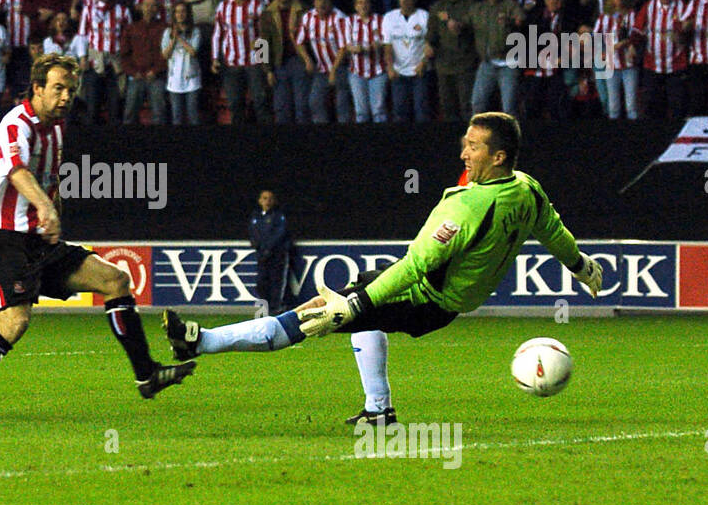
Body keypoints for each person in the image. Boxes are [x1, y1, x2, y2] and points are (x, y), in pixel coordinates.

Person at [162, 112, 603, 424]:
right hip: (437, 300)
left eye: (474, 146)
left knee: (317, 314)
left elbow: (414, 267)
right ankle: (378, 410)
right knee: (346, 312)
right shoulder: (525, 188)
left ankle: (199, 344)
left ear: (499, 156)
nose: (464, 151)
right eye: (465, 142)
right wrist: (579, 263)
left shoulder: (468, 208)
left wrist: (358, 302)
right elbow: (551, 227)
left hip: (426, 298)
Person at [0, 53, 195, 417]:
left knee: (115, 279)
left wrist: (51, 207)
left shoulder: (56, 127)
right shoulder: (16, 123)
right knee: (14, 321)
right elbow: (17, 171)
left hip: (36, 238)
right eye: (58, 88)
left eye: (70, 90)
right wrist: (45, 208)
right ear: (37, 88)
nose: (65, 97)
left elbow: (49, 177)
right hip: (1, 236)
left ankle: (147, 375)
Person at [248, 190, 291, 315]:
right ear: (260, 201)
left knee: (276, 282)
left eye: (270, 198)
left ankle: (275, 308)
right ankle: (265, 306)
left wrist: (268, 248)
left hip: (276, 255)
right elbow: (253, 232)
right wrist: (256, 244)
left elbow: (280, 234)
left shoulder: (278, 216)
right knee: (261, 282)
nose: (267, 201)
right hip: (262, 255)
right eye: (265, 198)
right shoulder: (256, 217)